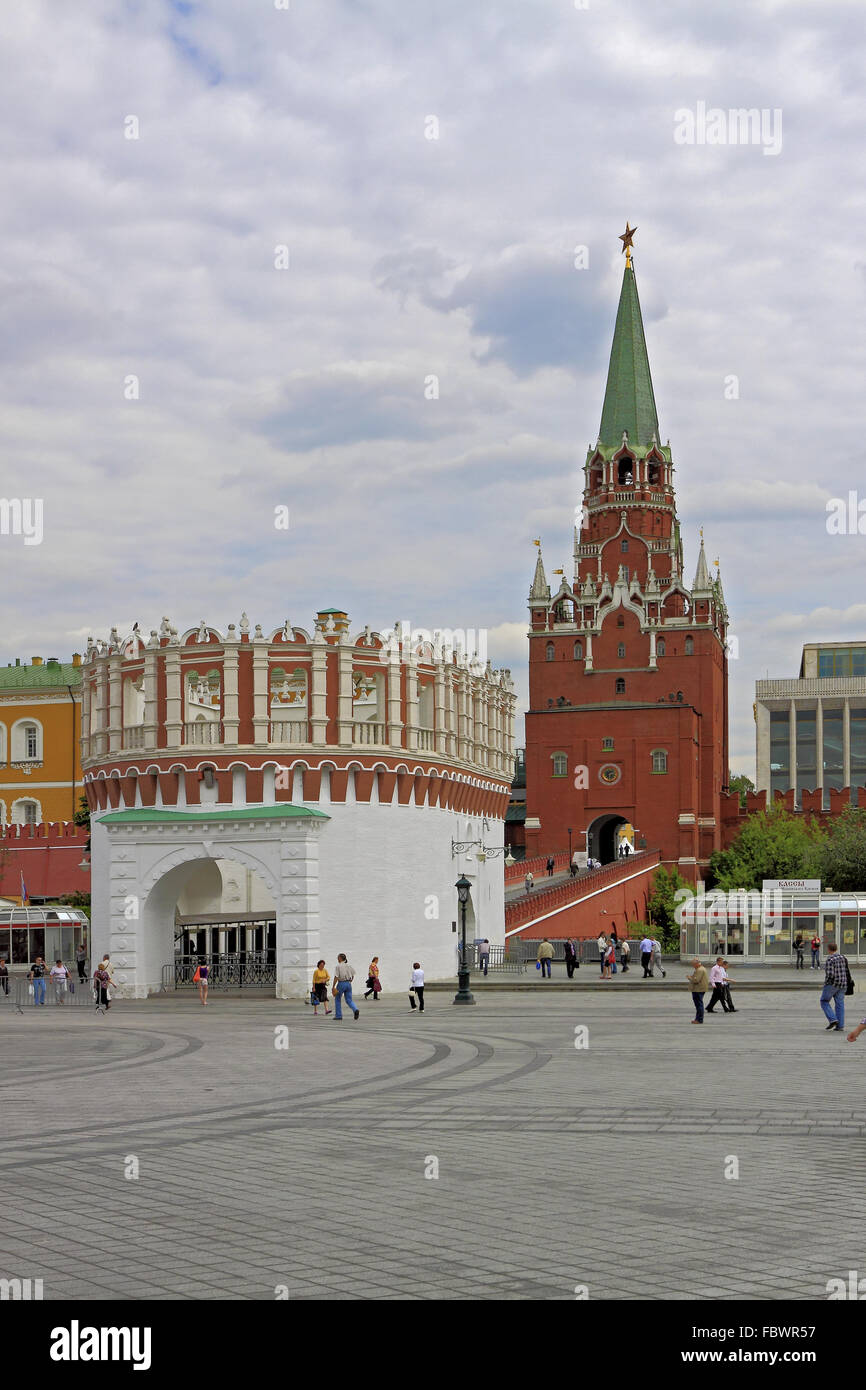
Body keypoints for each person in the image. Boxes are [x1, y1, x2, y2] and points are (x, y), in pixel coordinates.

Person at [820, 942, 848, 1032]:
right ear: (836, 949)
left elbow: (830, 974)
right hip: (843, 984)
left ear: (828, 949)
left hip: (833, 984)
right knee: (840, 1004)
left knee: (824, 1001)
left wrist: (826, 983)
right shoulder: (843, 957)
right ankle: (840, 1026)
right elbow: (846, 971)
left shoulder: (830, 959)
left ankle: (832, 1019)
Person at [332, 954, 360, 1021]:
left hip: (341, 983)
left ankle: (338, 1016)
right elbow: (353, 975)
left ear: (340, 958)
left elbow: (336, 977)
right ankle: (355, 1009)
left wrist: (333, 986)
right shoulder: (349, 965)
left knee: (338, 999)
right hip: (348, 984)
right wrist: (351, 981)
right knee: (349, 1000)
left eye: (338, 958)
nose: (337, 959)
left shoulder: (338, 966)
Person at [687, 958, 709, 1023]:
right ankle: (697, 1019)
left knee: (699, 1005)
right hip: (699, 989)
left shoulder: (700, 970)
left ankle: (699, 1019)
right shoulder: (701, 969)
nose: (693, 966)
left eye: (693, 964)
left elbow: (696, 980)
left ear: (697, 964)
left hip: (698, 989)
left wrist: (690, 978)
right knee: (698, 1005)